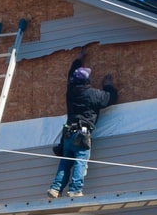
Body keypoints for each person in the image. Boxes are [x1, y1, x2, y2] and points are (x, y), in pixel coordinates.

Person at [47, 53, 119, 198]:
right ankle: (74, 190)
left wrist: (78, 61)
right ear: (87, 80)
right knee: (80, 161)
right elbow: (110, 98)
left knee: (66, 162)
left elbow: (70, 77)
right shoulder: (93, 94)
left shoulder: (71, 91)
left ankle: (56, 188)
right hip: (82, 134)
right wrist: (108, 86)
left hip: (67, 134)